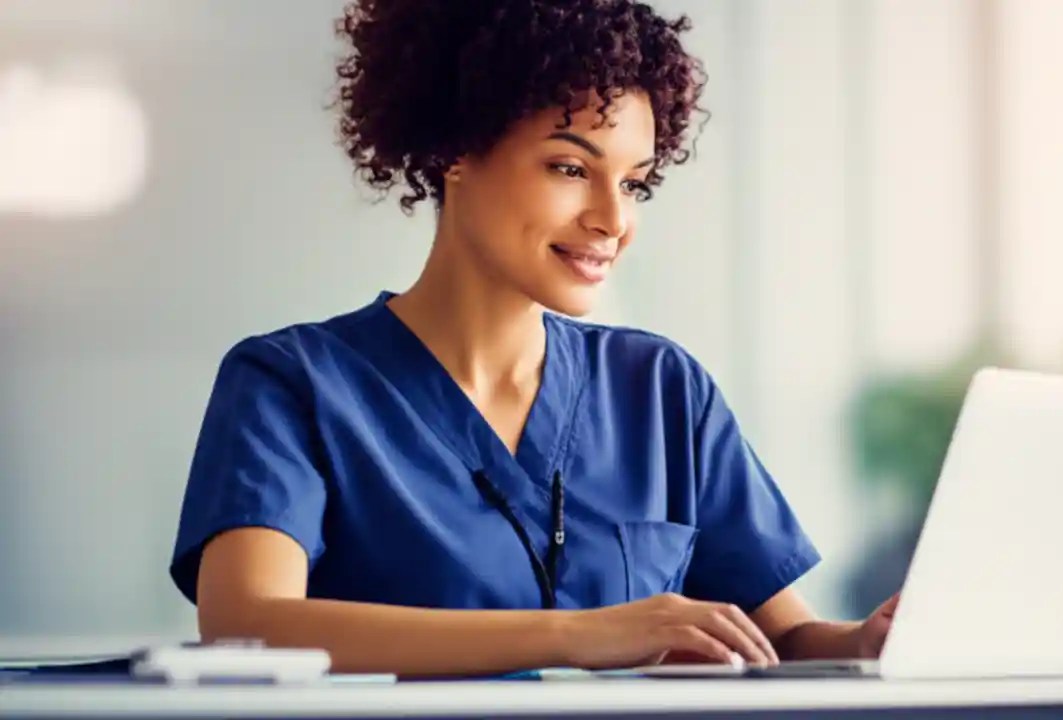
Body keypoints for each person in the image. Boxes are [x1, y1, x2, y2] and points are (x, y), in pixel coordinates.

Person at [169, 0, 898, 677]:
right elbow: (247, 627)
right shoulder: (292, 384)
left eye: (636, 183)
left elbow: (784, 639)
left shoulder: (662, 389)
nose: (613, 218)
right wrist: (582, 634)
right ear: (455, 147)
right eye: (571, 168)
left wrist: (863, 642)